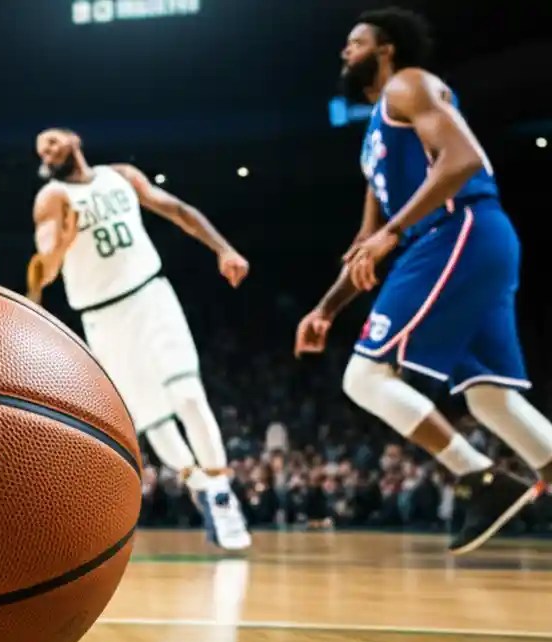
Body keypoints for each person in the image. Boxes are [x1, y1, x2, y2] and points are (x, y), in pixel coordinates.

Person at [295, 7, 550, 554]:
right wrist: (325, 310)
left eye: (355, 42)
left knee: (363, 377)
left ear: (385, 49)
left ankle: (480, 478)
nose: (345, 52)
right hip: (464, 241)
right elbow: (366, 250)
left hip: (458, 230)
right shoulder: (373, 142)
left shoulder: (409, 85)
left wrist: (393, 230)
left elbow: (463, 158)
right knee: (490, 399)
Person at [27, 128, 252, 551]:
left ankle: (221, 491)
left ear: (74, 139)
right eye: (41, 150)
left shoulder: (121, 177)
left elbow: (180, 211)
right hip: (103, 316)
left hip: (150, 294)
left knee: (186, 393)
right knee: (153, 420)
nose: (48, 150)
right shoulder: (51, 198)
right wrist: (63, 244)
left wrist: (223, 250)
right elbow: (45, 271)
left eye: (52, 141)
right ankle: (197, 482)